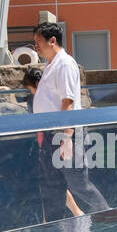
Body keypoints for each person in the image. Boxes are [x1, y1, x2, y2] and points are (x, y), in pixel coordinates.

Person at [31, 22, 110, 221]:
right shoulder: (50, 65)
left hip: (65, 133)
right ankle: (55, 231)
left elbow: (67, 101)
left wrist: (66, 137)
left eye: (38, 42)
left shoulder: (64, 64)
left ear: (52, 40)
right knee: (52, 186)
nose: (36, 47)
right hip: (50, 134)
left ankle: (109, 217)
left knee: (78, 183)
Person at [23, 66, 85, 218]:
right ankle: (75, 213)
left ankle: (75, 214)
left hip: (52, 142)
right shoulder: (53, 94)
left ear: (37, 84)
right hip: (53, 141)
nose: (31, 93)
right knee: (56, 183)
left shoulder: (41, 98)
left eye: (30, 89)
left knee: (55, 183)